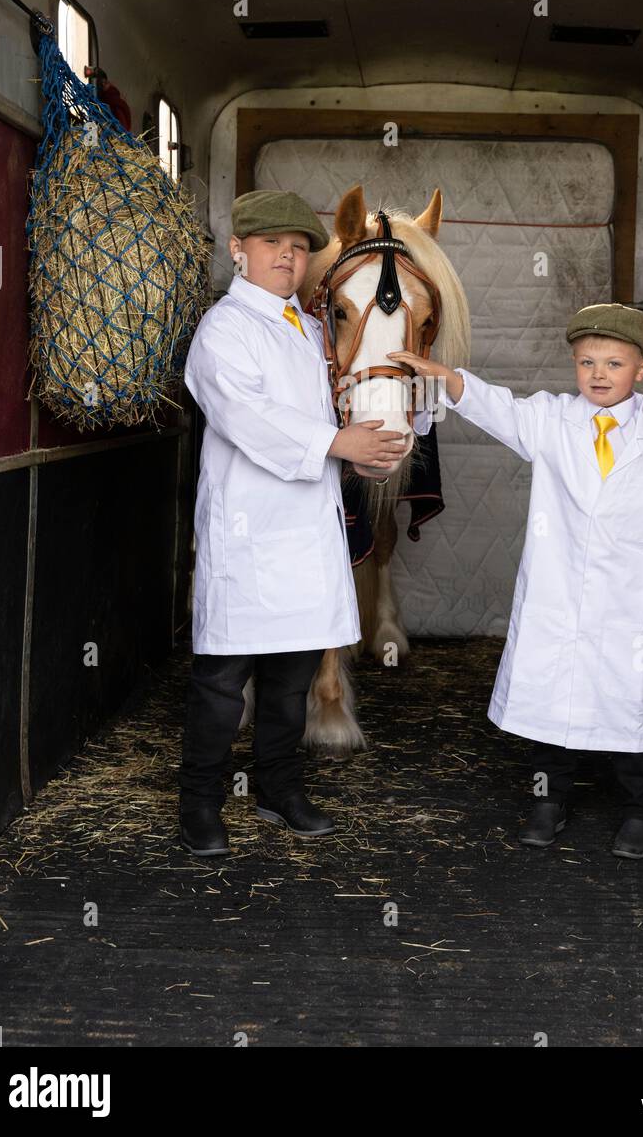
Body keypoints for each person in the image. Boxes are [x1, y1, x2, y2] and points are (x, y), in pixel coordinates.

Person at [389, 302, 643, 859]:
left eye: (614, 364)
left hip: (624, 607)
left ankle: (640, 809)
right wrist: (447, 379)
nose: (598, 375)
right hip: (556, 599)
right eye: (587, 362)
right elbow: (498, 407)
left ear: (642, 368)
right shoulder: (552, 420)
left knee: (630, 709)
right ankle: (549, 802)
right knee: (553, 707)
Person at [178, 189, 416, 856]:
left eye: (298, 247)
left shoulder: (310, 330)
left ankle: (279, 790)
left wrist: (369, 443)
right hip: (248, 536)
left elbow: (336, 404)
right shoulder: (223, 330)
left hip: (307, 537)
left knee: (290, 680)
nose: (287, 256)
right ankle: (198, 803)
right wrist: (338, 443)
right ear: (238, 250)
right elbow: (246, 417)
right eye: (271, 244)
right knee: (223, 684)